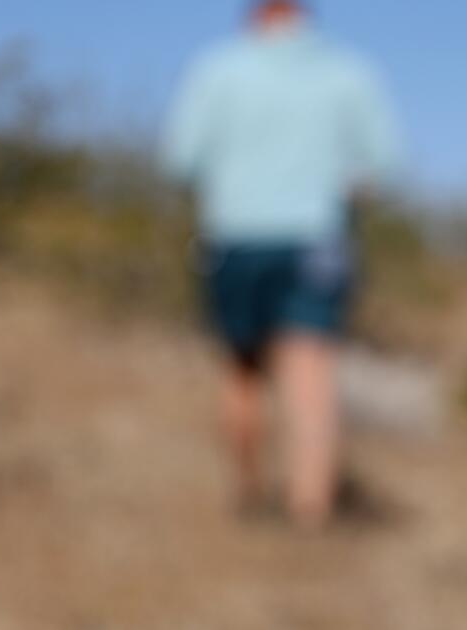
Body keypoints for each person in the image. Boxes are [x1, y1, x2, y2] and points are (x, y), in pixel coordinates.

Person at [162, 0, 398, 529]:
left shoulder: (217, 68)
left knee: (241, 369)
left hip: (233, 237)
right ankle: (309, 514)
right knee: (310, 373)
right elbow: (378, 166)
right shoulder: (349, 72)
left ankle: (249, 496)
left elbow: (180, 160)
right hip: (315, 238)